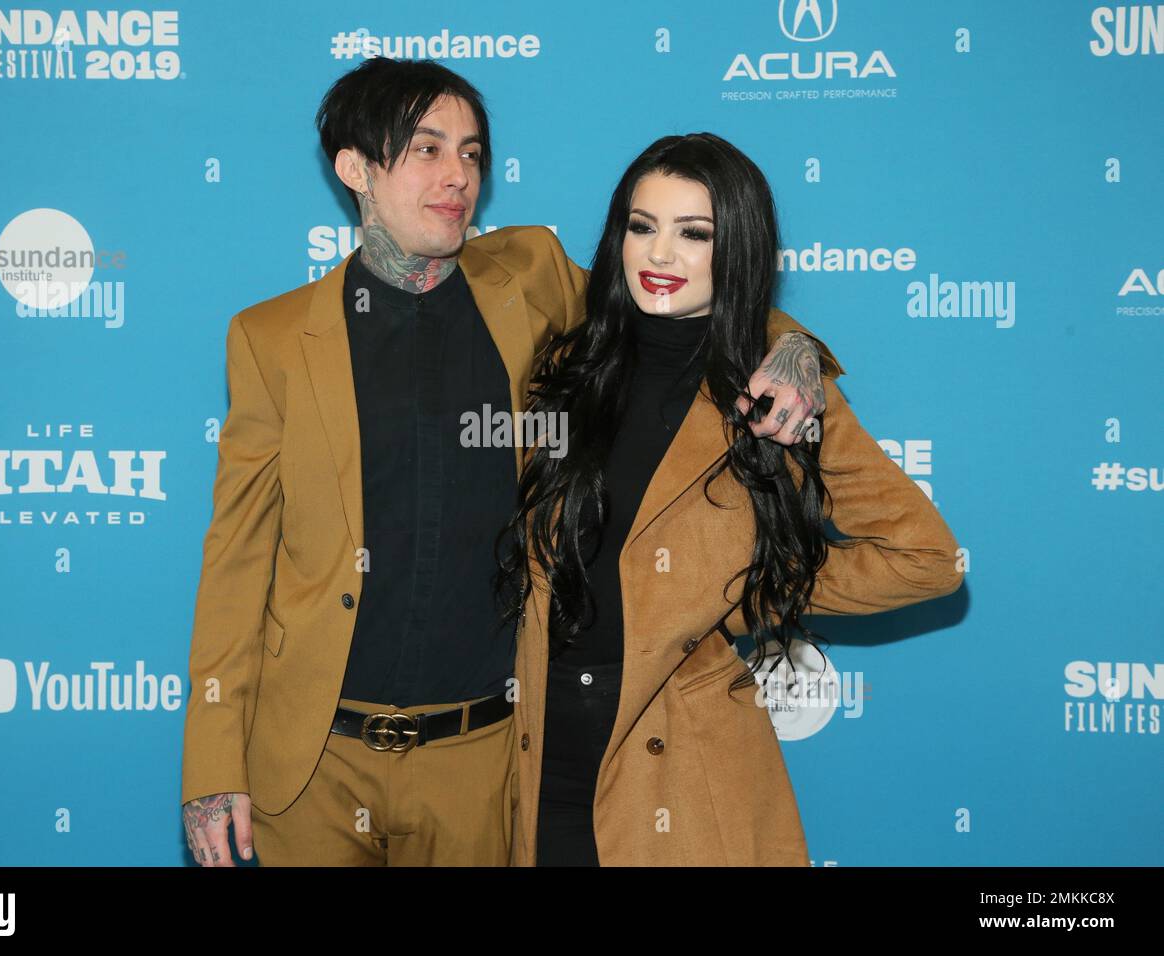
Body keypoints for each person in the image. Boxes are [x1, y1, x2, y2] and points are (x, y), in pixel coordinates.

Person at [179, 58, 838, 866]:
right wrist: (213, 763)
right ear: (355, 167)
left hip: (482, 758)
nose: (458, 174)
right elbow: (237, 563)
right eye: (426, 149)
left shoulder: (528, 279)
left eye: (472, 152)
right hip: (312, 763)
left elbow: (680, 301)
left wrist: (795, 348)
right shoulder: (271, 339)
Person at [495, 132, 964, 866]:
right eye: (642, 226)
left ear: (738, 246)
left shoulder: (776, 392)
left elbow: (926, 560)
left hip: (678, 765)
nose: (660, 255)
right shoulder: (567, 364)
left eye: (695, 234)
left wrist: (742, 593)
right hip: (532, 756)